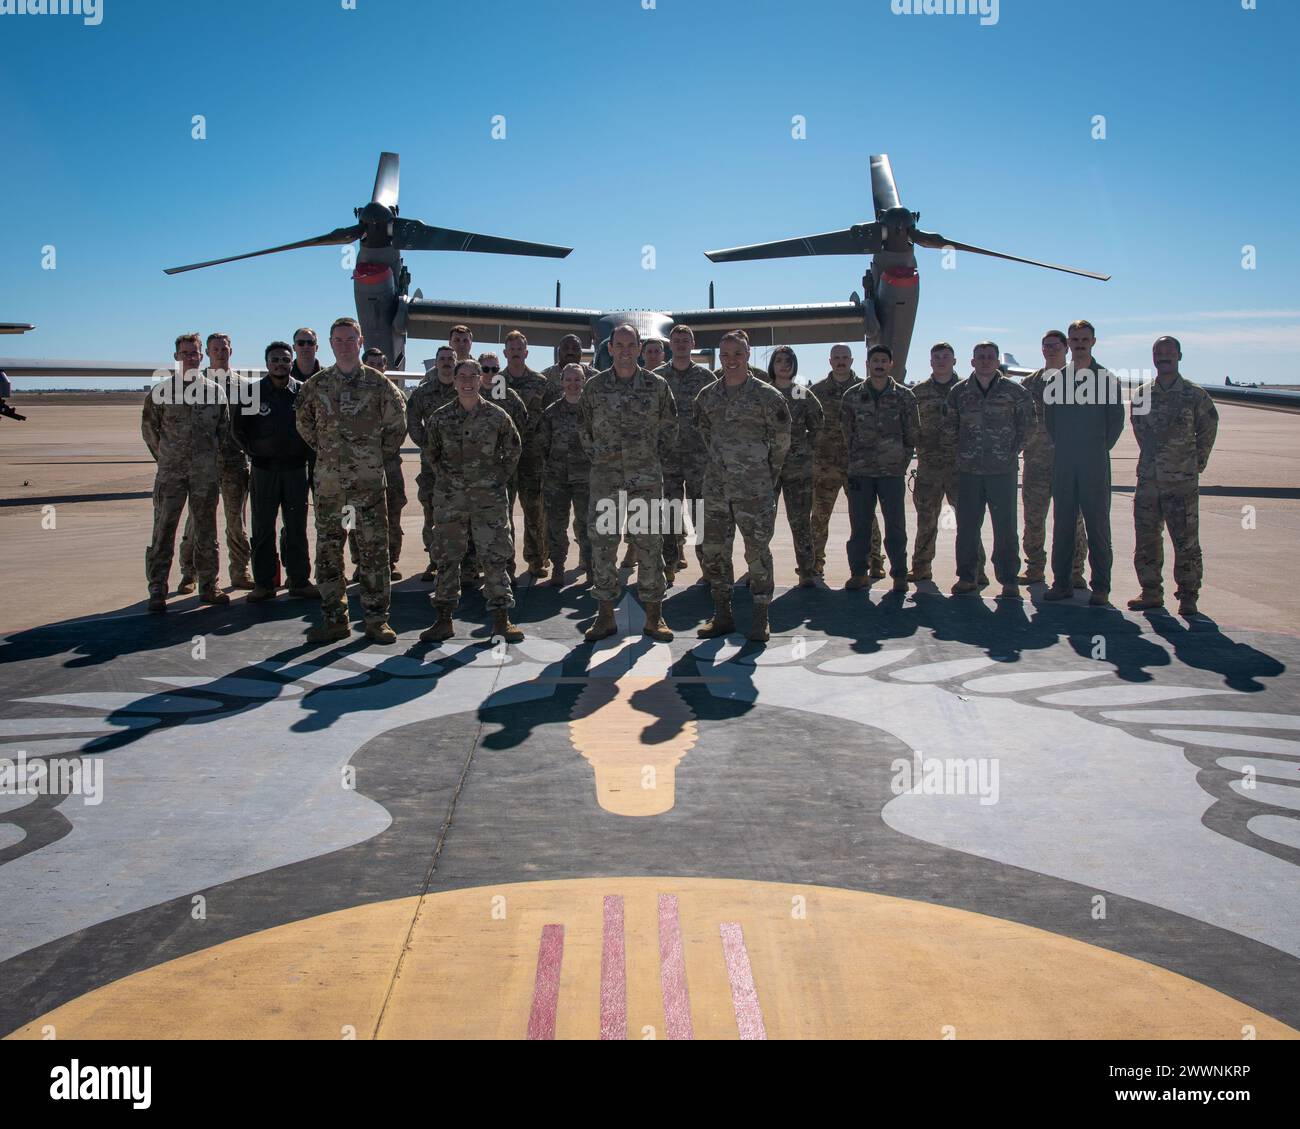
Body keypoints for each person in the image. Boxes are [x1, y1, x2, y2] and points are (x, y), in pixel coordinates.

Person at [295, 317, 408, 644]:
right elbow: (304, 424)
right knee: (329, 554)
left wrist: (370, 456)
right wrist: (330, 452)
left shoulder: (379, 385)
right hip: (330, 487)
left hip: (368, 486)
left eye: (350, 339)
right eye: (338, 340)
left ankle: (376, 620)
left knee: (374, 554)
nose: (344, 345)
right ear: (331, 344)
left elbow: (397, 426)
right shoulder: (316, 386)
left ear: (360, 342)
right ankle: (334, 619)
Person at [578, 323, 678, 642]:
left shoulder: (656, 385)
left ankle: (654, 617)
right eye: (618, 345)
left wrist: (649, 459)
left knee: (650, 546)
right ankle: (605, 616)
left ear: (638, 348)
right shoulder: (594, 388)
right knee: (604, 547)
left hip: (645, 482)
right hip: (606, 482)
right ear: (610, 349)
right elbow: (583, 429)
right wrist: (600, 457)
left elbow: (670, 427)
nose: (624, 350)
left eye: (630, 345)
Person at [693, 331, 791, 642]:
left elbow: (781, 443)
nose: (731, 360)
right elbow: (705, 434)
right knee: (715, 553)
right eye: (725, 355)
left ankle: (760, 616)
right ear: (719, 357)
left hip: (755, 490)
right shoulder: (706, 396)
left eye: (737, 354)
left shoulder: (767, 396)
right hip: (717, 489)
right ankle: (722, 615)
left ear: (747, 355)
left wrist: (762, 473)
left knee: (757, 553)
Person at [419, 359, 524, 644]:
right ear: (453, 381)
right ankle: (443, 620)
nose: (467, 381)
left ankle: (501, 620)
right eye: (461, 376)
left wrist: (495, 479)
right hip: (450, 499)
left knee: (494, 557)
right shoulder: (440, 418)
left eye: (473, 376)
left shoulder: (497, 416)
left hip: (488, 499)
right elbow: (432, 453)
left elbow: (513, 450)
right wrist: (450, 481)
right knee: (447, 558)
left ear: (481, 381)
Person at [1127, 336, 1219, 617]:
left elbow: (1208, 429)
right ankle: (1151, 592)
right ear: (1153, 357)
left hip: (1181, 482)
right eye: (1159, 353)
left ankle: (1188, 596)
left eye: (1169, 352)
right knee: (1146, 539)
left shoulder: (1195, 395)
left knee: (1186, 541)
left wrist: (1194, 463)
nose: (1164, 357)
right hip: (1149, 481)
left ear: (1179, 356)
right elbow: (1139, 428)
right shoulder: (1142, 394)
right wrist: (1155, 460)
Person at [141, 334, 231, 612]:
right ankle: (157, 588)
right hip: (171, 474)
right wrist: (167, 458)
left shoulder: (215, 392)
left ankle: (208, 585)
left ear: (202, 356)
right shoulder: (162, 392)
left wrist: (207, 461)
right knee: (163, 530)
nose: (191, 357)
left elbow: (223, 432)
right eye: (185, 353)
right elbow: (149, 431)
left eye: (195, 353)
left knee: (206, 531)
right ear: (177, 356)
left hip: (204, 475)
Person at [1042, 319, 1125, 606]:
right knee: (1062, 525)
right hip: (1064, 462)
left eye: (1084, 339)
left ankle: (1101, 585)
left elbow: (1116, 421)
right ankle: (1062, 583)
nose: (1079, 344)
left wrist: (1096, 449)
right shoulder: (1056, 381)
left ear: (1093, 342)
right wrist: (1067, 447)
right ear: (1068, 343)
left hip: (1094, 462)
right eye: (1074, 340)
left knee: (1098, 526)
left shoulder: (1105, 379)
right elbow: (1050, 422)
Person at [943, 341, 1035, 599]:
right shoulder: (959, 392)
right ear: (971, 362)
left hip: (1002, 472)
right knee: (967, 527)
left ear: (997, 362)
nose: (985, 361)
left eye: (990, 357)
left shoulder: (1015, 392)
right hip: (969, 471)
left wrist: (1009, 451)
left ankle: (1008, 581)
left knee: (1005, 528)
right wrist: (962, 453)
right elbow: (949, 427)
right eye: (980, 357)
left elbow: (1029, 426)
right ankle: (967, 576)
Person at [232, 341, 319, 602]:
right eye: (275, 359)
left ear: (291, 362)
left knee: (296, 528)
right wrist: (256, 451)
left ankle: (300, 580)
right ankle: (264, 583)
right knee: (262, 529)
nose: (280, 363)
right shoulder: (252, 393)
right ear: (267, 362)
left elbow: (314, 426)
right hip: (264, 471)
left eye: (284, 359)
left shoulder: (303, 392)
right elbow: (238, 430)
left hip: (295, 471)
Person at [178, 332, 253, 592]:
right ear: (207, 353)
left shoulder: (245, 386)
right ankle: (189, 572)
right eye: (215, 349)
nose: (220, 352)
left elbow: (253, 426)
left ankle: (240, 570)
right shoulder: (197, 383)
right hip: (204, 466)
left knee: (236, 522)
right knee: (197, 521)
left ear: (231, 350)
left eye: (224, 348)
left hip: (235, 461)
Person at [840, 344, 918, 593]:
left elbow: (911, 433)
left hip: (891, 473)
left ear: (891, 364)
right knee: (860, 526)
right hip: (861, 472)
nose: (879, 364)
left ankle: (899, 574)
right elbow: (847, 432)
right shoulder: (852, 396)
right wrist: (856, 459)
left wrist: (900, 461)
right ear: (867, 364)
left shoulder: (905, 396)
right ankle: (859, 573)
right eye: (875, 360)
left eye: (884, 360)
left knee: (895, 526)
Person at [909, 342, 983, 584]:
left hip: (960, 468)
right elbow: (908, 427)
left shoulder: (967, 390)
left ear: (954, 360)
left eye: (946, 357)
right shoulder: (917, 392)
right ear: (930, 362)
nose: (941, 361)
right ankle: (921, 567)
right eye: (936, 357)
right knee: (926, 520)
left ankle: (976, 570)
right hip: (929, 467)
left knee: (967, 522)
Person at [810, 345, 883, 584]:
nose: (841, 362)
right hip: (825, 466)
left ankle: (875, 561)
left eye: (845, 358)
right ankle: (814, 562)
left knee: (865, 516)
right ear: (830, 361)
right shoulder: (816, 391)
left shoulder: (867, 388)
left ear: (852, 361)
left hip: (858, 466)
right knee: (819, 517)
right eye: (837, 358)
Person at [1019, 330, 1087, 588]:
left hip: (1068, 464)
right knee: (1033, 519)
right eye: (1046, 346)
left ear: (1066, 348)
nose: (1050, 350)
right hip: (1035, 462)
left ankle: (1075, 571)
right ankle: (1034, 568)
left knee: (1072, 520)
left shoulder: (1080, 381)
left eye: (1055, 346)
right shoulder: (1029, 383)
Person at [655, 323, 714, 583]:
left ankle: (709, 567)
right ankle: (668, 566)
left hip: (699, 459)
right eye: (676, 340)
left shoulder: (706, 379)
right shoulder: (656, 378)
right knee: (668, 514)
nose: (680, 344)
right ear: (670, 344)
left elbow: (717, 417)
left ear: (693, 344)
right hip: (667, 459)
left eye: (685, 340)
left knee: (701, 514)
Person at [345, 346, 407, 582]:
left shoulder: (394, 394)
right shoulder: (348, 393)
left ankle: (389, 562)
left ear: (385, 367)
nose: (376, 368)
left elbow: (400, 429)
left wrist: (379, 453)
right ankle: (360, 563)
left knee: (392, 515)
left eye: (380, 364)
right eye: (371, 363)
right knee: (351, 517)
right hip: (353, 468)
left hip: (387, 466)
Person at [502, 330, 557, 579]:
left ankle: (536, 560)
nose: (515, 352)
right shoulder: (495, 383)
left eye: (519, 348)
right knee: (504, 513)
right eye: (511, 349)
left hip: (532, 457)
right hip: (503, 458)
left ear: (526, 352)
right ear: (505, 353)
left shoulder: (540, 382)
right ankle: (507, 564)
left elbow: (550, 418)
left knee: (535, 512)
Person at [768, 345, 823, 587]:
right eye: (779, 360)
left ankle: (807, 571)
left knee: (800, 521)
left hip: (797, 470)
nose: (784, 364)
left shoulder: (801, 393)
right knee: (762, 522)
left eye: (788, 360)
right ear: (773, 364)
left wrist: (805, 449)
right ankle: (758, 569)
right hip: (767, 469)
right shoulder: (763, 392)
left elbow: (818, 424)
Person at [406, 345, 458, 580]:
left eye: (450, 359)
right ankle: (434, 561)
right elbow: (413, 421)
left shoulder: (464, 388)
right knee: (432, 513)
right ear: (436, 363)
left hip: (461, 465)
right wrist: (428, 446)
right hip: (432, 465)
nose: (446, 362)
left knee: (461, 514)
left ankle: (464, 563)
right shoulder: (423, 393)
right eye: (442, 359)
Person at [538, 364, 593, 586]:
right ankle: (558, 567)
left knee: (587, 525)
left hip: (586, 479)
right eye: (569, 379)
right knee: (556, 526)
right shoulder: (551, 412)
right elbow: (542, 444)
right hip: (557, 479)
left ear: (584, 382)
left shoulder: (591, 411)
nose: (573, 384)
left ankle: (590, 567)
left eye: (577, 379)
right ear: (562, 382)